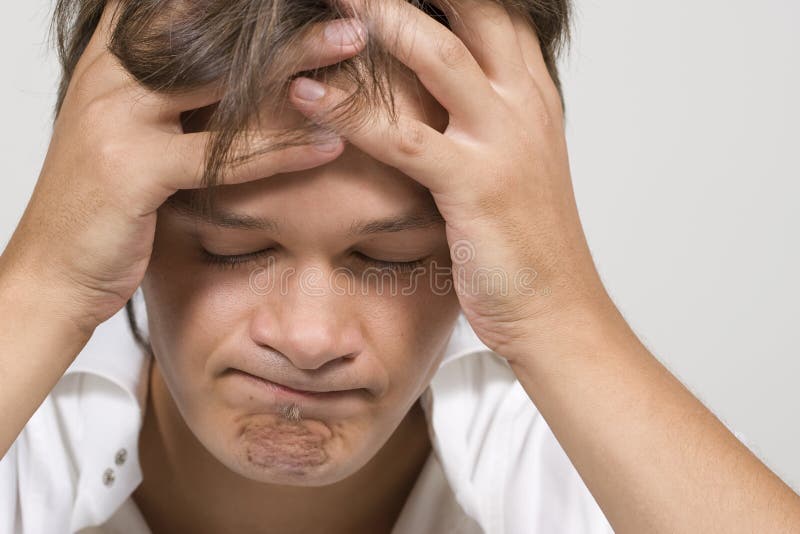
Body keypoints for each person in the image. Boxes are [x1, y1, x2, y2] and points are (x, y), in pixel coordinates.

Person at [1, 0, 798, 532]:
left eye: (390, 259)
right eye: (231, 248)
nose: (309, 337)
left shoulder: (556, 452)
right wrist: (40, 286)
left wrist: (557, 312)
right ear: (127, 228)